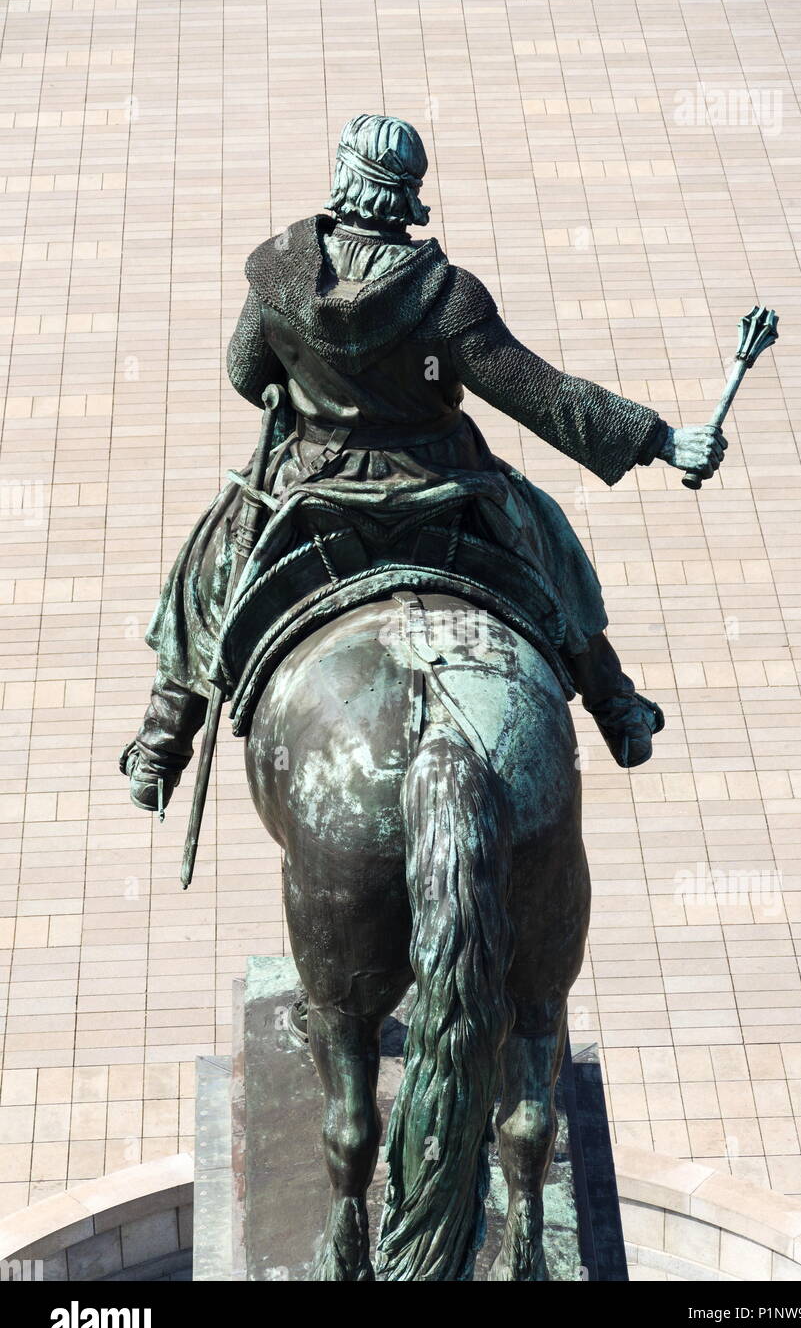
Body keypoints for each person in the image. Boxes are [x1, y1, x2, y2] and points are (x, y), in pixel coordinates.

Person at [121, 114, 726, 813]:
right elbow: (541, 394)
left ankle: (163, 742)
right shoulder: (445, 294)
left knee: (211, 560)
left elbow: (241, 372)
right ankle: (614, 705)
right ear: (408, 192)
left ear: (345, 177)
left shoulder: (279, 270)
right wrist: (659, 439)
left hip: (311, 486)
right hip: (442, 489)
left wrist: (301, 388)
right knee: (547, 538)